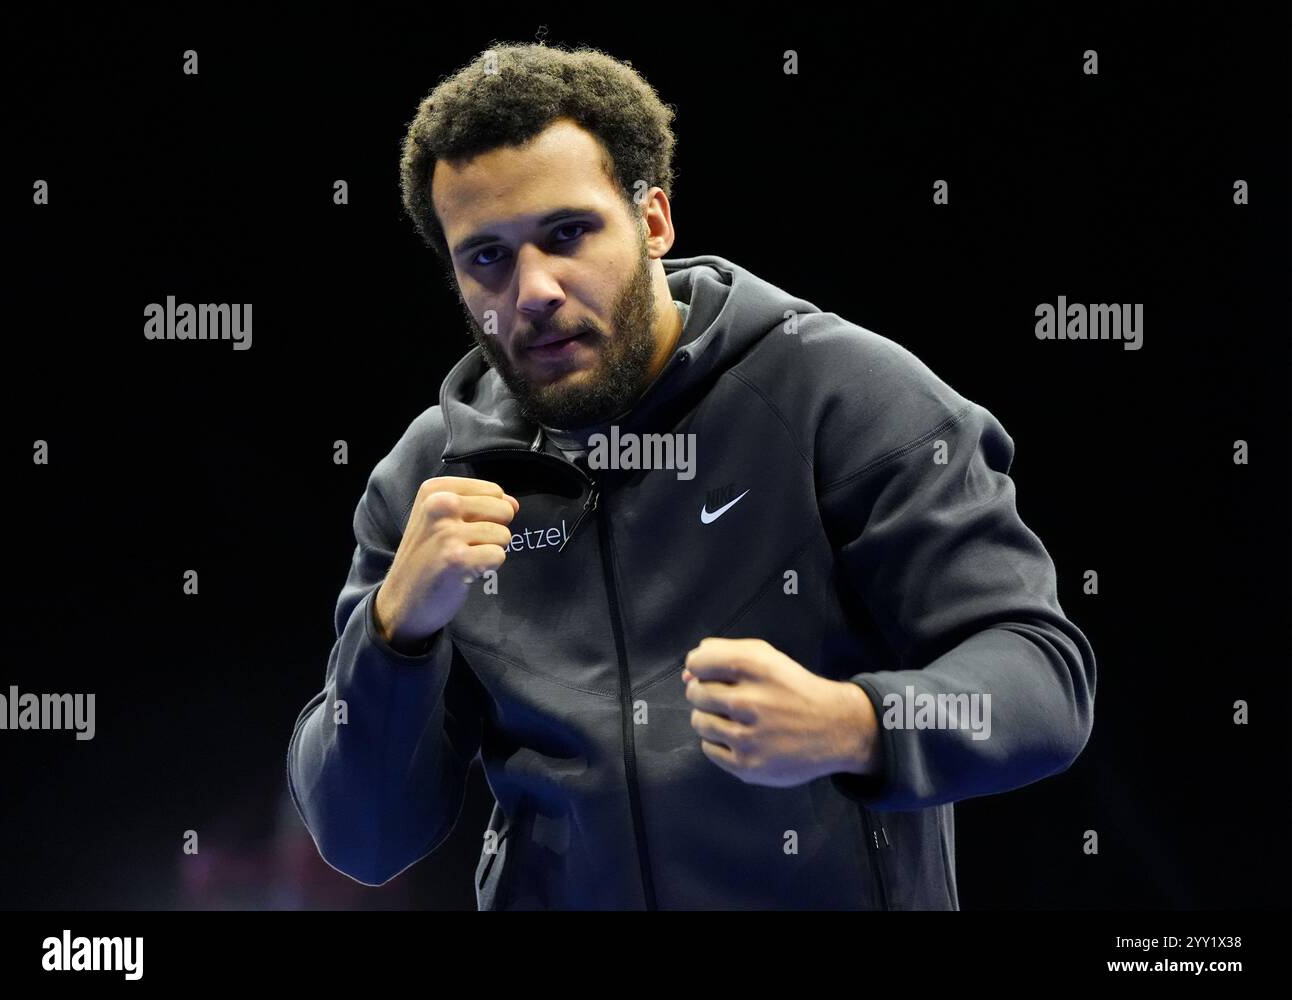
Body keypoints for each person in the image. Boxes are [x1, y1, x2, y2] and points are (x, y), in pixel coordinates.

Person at [286, 41, 1096, 910]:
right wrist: (391, 637)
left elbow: (1042, 682)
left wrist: (860, 724)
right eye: (486, 257)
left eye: (568, 233)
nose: (533, 290)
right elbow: (363, 840)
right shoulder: (424, 479)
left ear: (655, 221)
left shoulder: (839, 394)